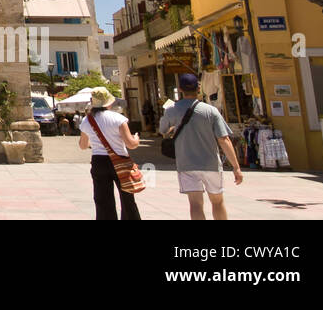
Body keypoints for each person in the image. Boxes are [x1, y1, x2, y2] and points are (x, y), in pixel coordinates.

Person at [160, 73, 242, 219]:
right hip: (211, 163)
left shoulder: (171, 110)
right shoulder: (210, 111)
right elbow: (224, 140)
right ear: (199, 88)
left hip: (186, 164)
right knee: (217, 202)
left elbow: (163, 131)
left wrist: (173, 128)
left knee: (195, 204)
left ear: (180, 89)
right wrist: (236, 167)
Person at [78, 86, 142, 220]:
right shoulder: (118, 118)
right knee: (127, 199)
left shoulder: (87, 120)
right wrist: (136, 139)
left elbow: (83, 145)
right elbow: (131, 144)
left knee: (102, 200)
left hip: (98, 161)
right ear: (109, 102)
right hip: (120, 160)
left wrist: (94, 144)